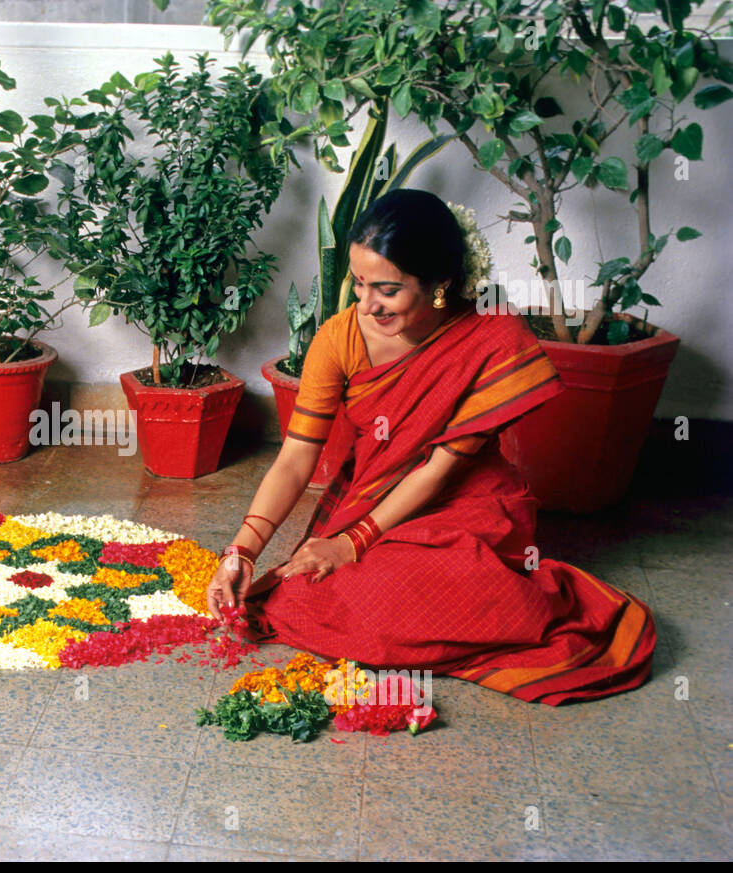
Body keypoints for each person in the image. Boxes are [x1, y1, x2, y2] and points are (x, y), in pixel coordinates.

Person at [206, 189, 655, 705]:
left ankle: (526, 597)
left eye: (388, 290)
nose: (366, 303)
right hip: (373, 499)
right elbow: (296, 457)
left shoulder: (490, 336)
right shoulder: (339, 339)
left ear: (439, 285)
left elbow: (441, 469)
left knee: (435, 601)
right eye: (357, 282)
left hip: (468, 505)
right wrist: (241, 551)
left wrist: (349, 545)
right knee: (309, 600)